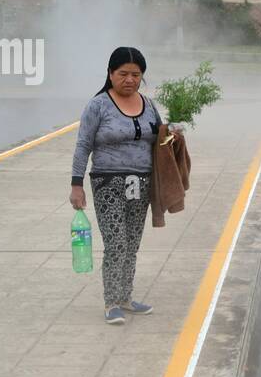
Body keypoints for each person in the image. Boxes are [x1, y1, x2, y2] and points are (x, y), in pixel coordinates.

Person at [70, 47, 181, 324]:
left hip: (142, 182)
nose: (130, 79)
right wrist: (77, 184)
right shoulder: (98, 106)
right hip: (108, 182)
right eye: (123, 74)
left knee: (132, 243)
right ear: (110, 74)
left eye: (136, 74)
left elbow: (159, 135)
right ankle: (111, 303)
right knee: (116, 242)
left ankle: (126, 297)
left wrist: (173, 133)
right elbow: (83, 145)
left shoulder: (148, 104)